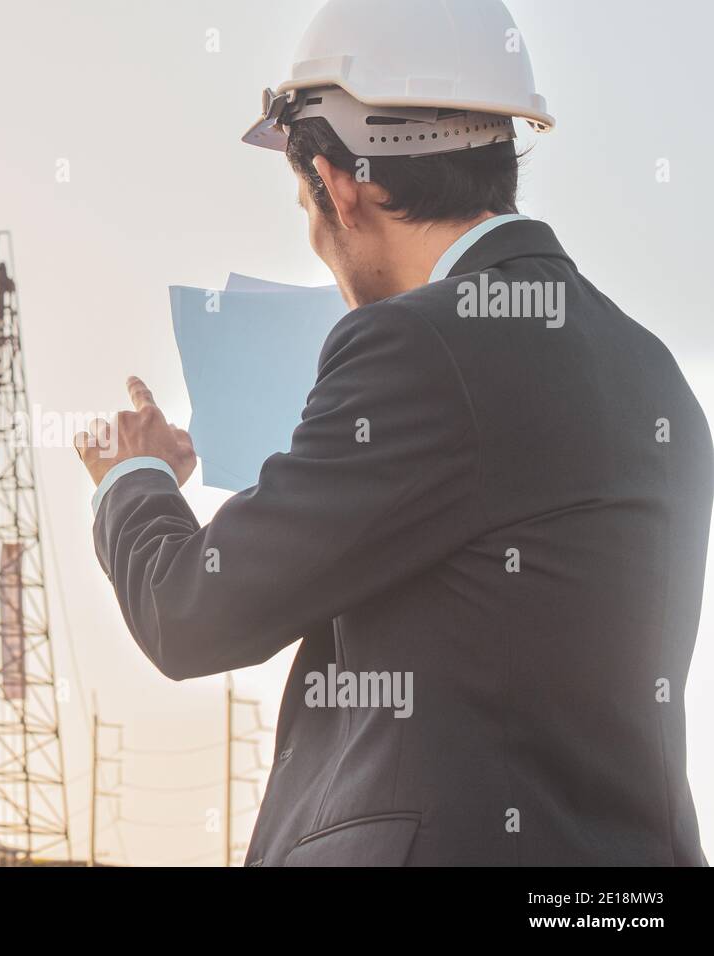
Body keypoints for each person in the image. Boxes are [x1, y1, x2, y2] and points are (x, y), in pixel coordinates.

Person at [74, 0, 710, 865]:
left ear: (343, 182)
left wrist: (135, 480)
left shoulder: (416, 346)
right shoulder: (652, 370)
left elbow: (189, 612)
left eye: (304, 200)